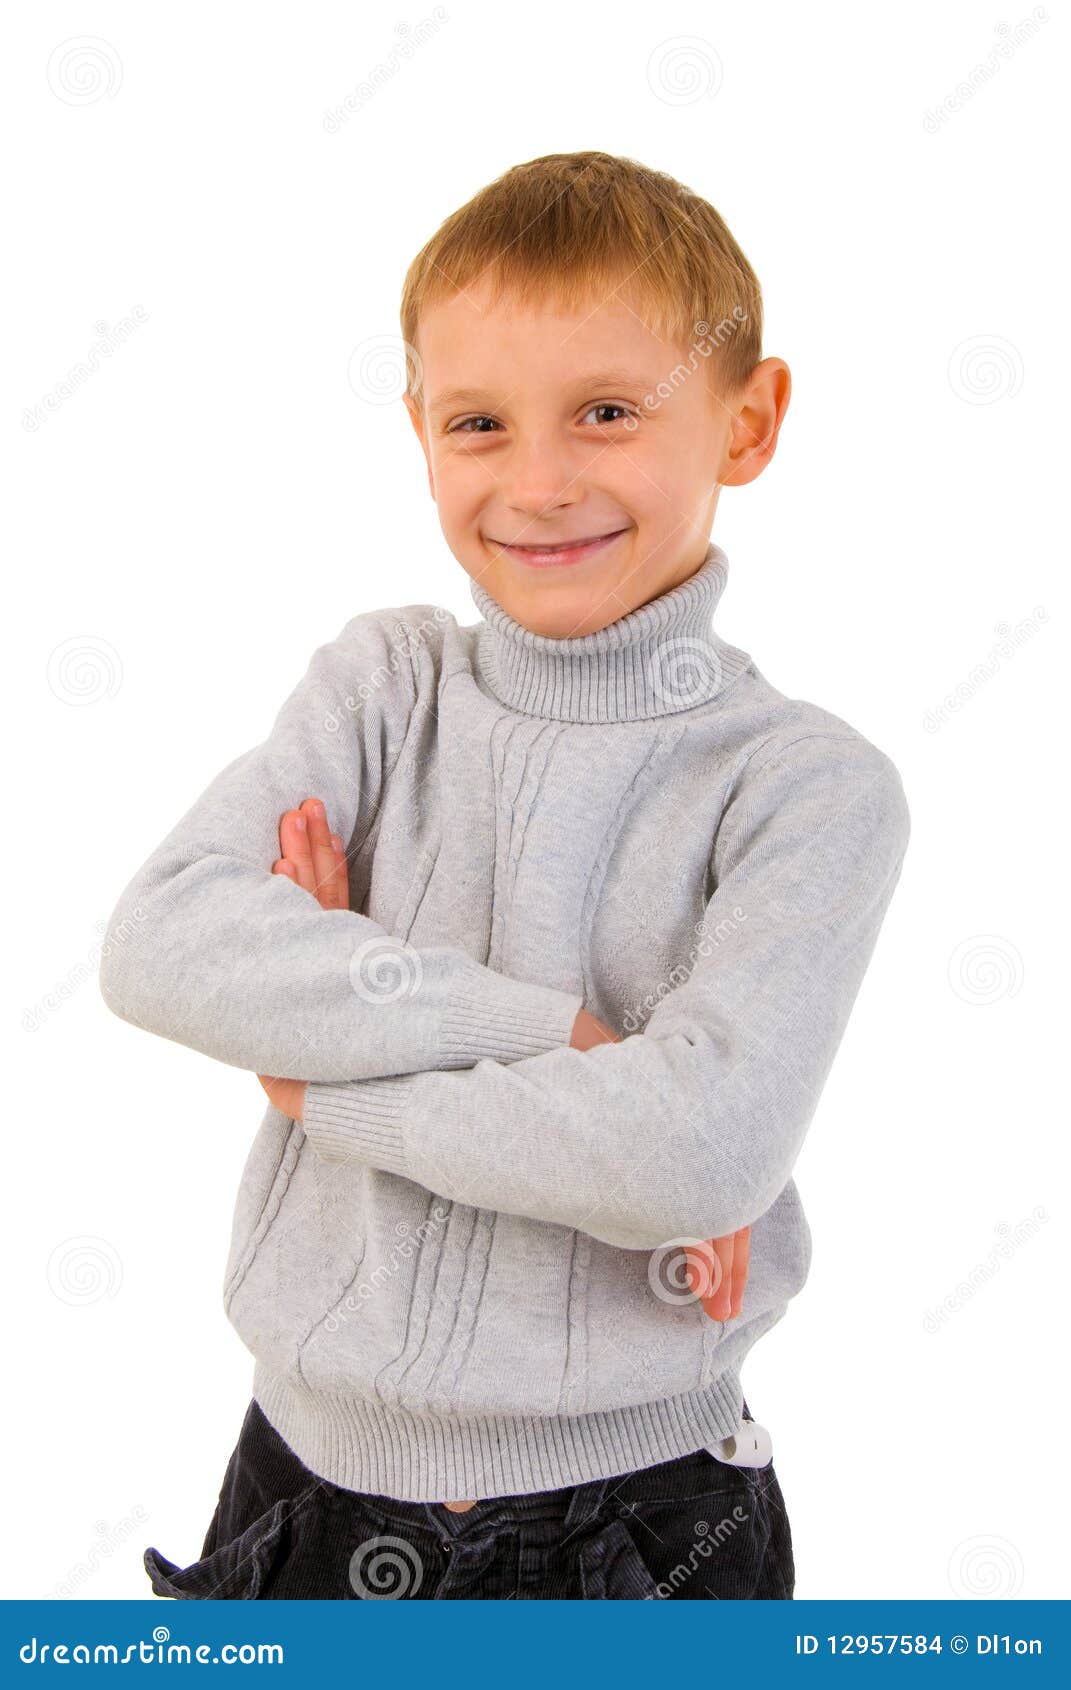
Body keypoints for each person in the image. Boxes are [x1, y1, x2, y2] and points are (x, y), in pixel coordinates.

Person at [100, 150, 910, 1600]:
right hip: (298, 1488)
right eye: (478, 422)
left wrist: (321, 1069)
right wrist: (572, 1043)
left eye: (607, 411)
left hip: (643, 1526)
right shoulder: (381, 684)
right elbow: (161, 941)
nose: (539, 483)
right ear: (419, 430)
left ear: (751, 419)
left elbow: (694, 1154)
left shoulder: (804, 785)